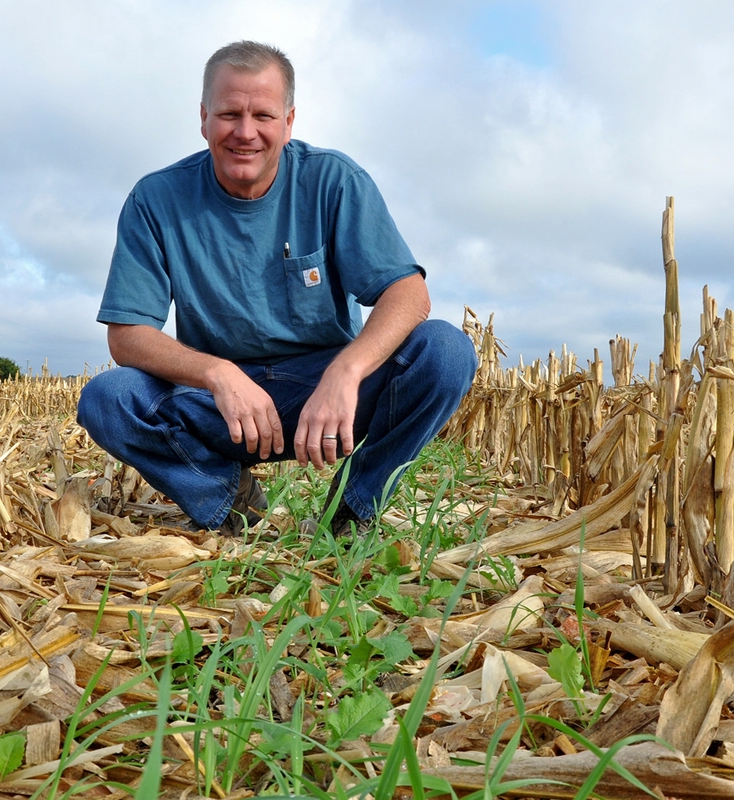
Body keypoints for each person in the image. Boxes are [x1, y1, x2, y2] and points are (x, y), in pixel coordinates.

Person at [77, 40, 476, 536]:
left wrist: (346, 372)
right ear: (203, 118)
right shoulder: (155, 200)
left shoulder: (334, 181)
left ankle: (353, 508)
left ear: (288, 122)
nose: (245, 133)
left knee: (447, 351)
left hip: (325, 395)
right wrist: (219, 374)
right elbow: (127, 334)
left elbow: (408, 292)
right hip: (223, 404)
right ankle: (230, 499)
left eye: (263, 115)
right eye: (229, 114)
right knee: (107, 399)